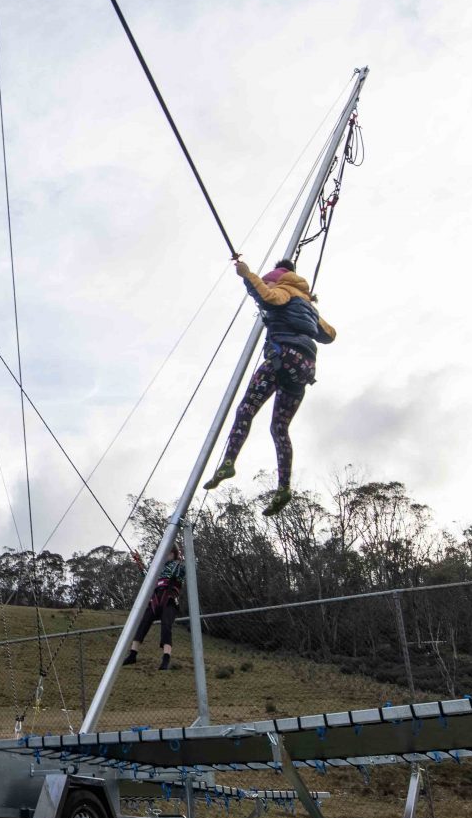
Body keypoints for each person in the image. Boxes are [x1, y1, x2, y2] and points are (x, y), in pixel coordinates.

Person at [203, 255, 335, 516]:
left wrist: (245, 274)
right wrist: (309, 312)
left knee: (246, 409)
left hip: (282, 356)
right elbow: (329, 335)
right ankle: (284, 486)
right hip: (304, 367)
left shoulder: (283, 290)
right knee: (280, 427)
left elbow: (268, 297)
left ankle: (229, 460)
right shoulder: (307, 302)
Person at [123, 552, 185, 671]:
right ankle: (132, 654)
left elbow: (187, 570)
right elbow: (148, 577)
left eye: (168, 553)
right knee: (143, 623)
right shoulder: (158, 568)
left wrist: (183, 562)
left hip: (169, 599)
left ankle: (166, 658)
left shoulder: (178, 566)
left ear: (173, 554)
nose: (165, 555)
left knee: (166, 626)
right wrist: (139, 563)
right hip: (155, 599)